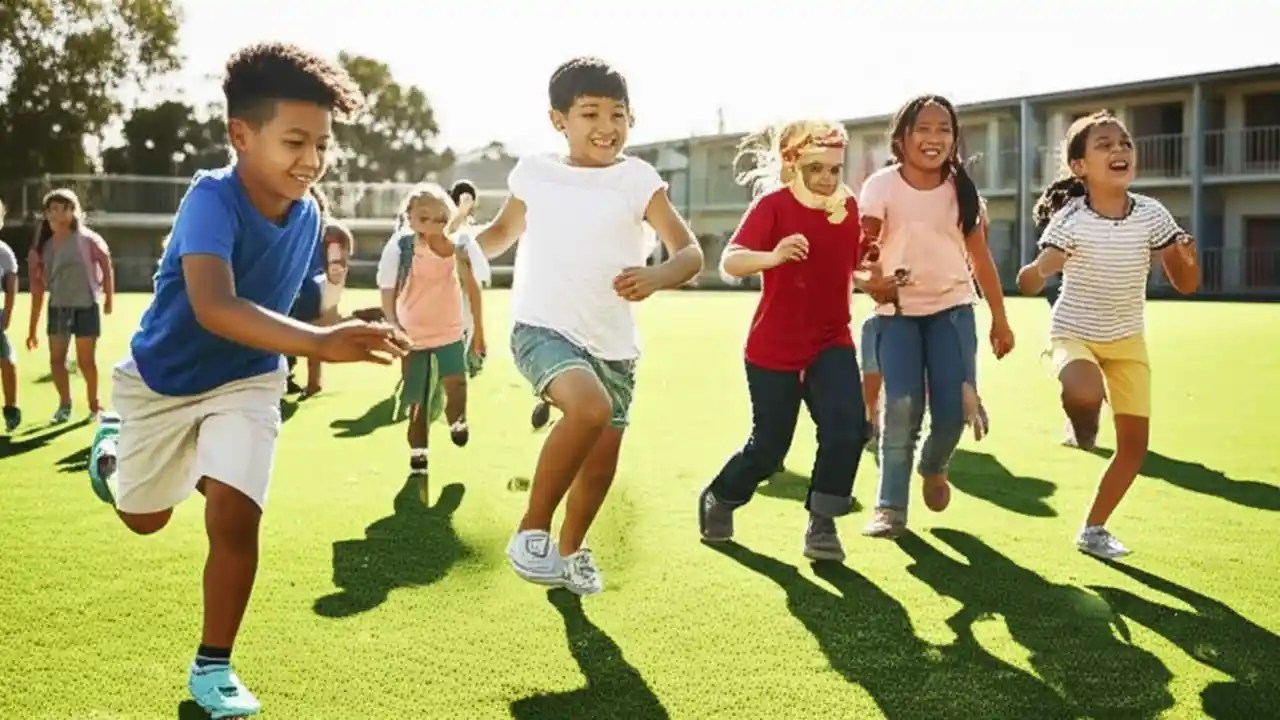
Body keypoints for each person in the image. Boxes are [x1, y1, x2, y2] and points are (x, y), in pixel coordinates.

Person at [85, 42, 405, 718]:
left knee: (235, 513)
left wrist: (357, 322)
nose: (312, 160)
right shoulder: (211, 198)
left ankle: (214, 667)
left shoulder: (312, 213)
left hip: (250, 381)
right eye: (295, 141)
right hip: (161, 381)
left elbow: (299, 309)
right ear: (241, 135)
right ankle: (112, 451)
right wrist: (322, 342)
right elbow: (215, 306)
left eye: (322, 145)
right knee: (143, 519)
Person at [476, 56, 703, 595]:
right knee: (589, 407)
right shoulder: (535, 173)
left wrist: (661, 274)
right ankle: (531, 531)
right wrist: (455, 251)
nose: (606, 126)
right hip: (543, 328)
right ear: (560, 120)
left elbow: (689, 251)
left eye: (617, 114)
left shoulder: (638, 180)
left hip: (615, 346)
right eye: (590, 113)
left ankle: (571, 551)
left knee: (599, 467)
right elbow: (501, 233)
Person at [1016, 110, 1199, 559]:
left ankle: (1094, 529)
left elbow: (1186, 284)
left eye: (1125, 143)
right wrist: (1037, 273)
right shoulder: (1072, 219)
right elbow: (1040, 272)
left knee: (1134, 449)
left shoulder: (1153, 214)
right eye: (1105, 145)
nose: (1119, 150)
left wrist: (1186, 257)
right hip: (1074, 332)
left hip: (1128, 342)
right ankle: (1081, 422)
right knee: (1083, 387)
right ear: (1080, 167)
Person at [697, 120, 867, 561]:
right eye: (817, 169)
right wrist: (772, 256)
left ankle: (823, 524)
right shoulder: (771, 207)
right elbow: (730, 263)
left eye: (835, 168)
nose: (828, 178)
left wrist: (878, 273)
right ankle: (720, 496)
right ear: (793, 165)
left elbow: (853, 268)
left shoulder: (847, 209)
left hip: (832, 340)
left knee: (848, 429)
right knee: (770, 448)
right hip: (774, 348)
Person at [857, 95, 1015, 540]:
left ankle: (934, 464)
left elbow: (981, 261)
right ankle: (890, 508)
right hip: (897, 315)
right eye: (922, 128)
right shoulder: (880, 187)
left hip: (952, 314)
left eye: (943, 129)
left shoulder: (961, 192)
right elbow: (864, 252)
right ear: (902, 138)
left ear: (954, 138)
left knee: (951, 414)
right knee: (902, 407)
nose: (933, 138)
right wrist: (870, 281)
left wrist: (1000, 320)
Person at [376, 183, 485, 498]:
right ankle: (419, 454)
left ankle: (457, 420)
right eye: (425, 218)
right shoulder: (404, 248)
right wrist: (392, 324)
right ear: (410, 218)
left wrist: (479, 331)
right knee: (418, 399)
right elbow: (387, 288)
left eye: (440, 218)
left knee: (457, 383)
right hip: (413, 335)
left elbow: (474, 290)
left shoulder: (458, 249)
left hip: (450, 330)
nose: (433, 224)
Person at [25, 188, 115, 422]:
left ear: (73, 211)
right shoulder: (42, 247)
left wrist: (108, 297)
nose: (57, 213)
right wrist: (32, 330)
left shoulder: (88, 239)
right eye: (52, 209)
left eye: (63, 208)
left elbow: (105, 264)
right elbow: (36, 290)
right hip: (58, 308)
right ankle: (64, 405)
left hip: (86, 306)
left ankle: (95, 405)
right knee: (57, 360)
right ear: (46, 213)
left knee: (86, 361)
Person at [0, 199, 19, 432]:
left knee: (6, 360)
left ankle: (11, 408)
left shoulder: (4, 252)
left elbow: (11, 284)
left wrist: (8, 312)